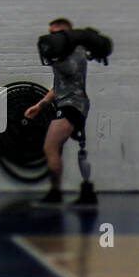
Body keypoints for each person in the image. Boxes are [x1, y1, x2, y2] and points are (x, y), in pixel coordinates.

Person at [24, 18, 91, 205]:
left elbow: (69, 70)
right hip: (66, 104)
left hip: (73, 105)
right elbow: (58, 86)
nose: (55, 37)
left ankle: (55, 194)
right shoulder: (63, 53)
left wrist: (54, 57)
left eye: (58, 33)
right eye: (52, 34)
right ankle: (87, 192)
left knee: (50, 147)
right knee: (64, 149)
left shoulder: (76, 52)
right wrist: (40, 105)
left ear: (68, 34)